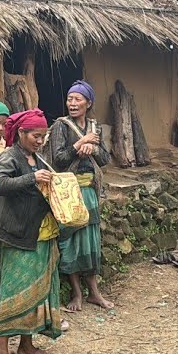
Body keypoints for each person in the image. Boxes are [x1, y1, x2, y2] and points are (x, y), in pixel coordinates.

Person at [0, 109, 63, 354]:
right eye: (35, 136)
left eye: (43, 136)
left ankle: (26, 345)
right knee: (14, 291)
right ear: (21, 132)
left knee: (35, 291)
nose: (40, 141)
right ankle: (0, 353)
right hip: (17, 234)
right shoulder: (9, 156)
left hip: (40, 234)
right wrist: (33, 178)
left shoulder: (37, 158)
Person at [49, 80, 113, 312]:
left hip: (89, 191)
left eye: (77, 99)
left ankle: (94, 293)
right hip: (69, 192)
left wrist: (93, 148)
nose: (72, 103)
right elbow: (58, 159)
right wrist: (80, 144)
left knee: (90, 241)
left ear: (89, 103)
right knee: (71, 241)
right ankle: (76, 293)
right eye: (69, 99)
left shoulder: (95, 127)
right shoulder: (61, 126)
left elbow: (105, 159)